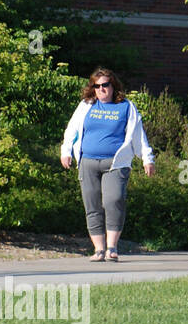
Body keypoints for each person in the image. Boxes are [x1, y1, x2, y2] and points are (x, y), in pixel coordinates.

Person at [60, 68, 156, 261]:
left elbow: (138, 134)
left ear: (113, 86)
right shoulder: (86, 105)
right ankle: (99, 249)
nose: (101, 89)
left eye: (105, 85)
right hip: (87, 161)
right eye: (97, 86)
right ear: (92, 88)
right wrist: (66, 151)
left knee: (114, 200)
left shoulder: (126, 107)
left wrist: (147, 158)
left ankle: (112, 247)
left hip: (116, 163)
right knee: (92, 205)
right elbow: (72, 129)